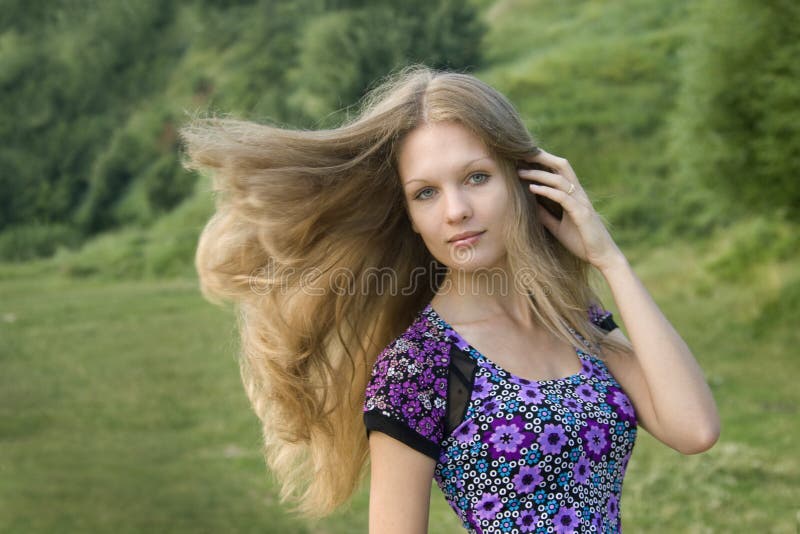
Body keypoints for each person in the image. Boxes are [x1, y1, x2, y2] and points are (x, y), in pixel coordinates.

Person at [180, 64, 720, 533]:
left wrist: (609, 259)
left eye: (476, 177)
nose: (455, 210)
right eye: (426, 193)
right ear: (411, 217)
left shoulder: (573, 319)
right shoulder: (421, 366)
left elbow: (694, 429)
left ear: (524, 179)